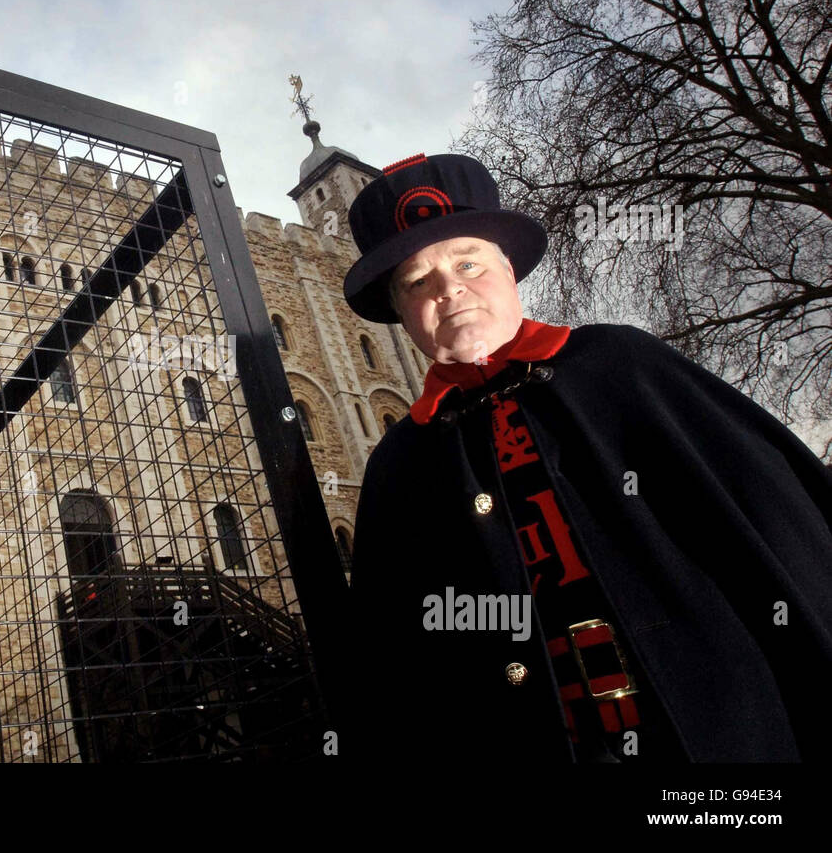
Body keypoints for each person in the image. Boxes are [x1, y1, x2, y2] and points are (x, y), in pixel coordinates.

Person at [342, 152, 832, 763]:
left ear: (509, 273)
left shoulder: (621, 366)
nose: (450, 289)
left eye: (469, 262)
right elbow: (391, 663)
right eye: (419, 281)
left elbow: (780, 527)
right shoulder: (399, 464)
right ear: (401, 311)